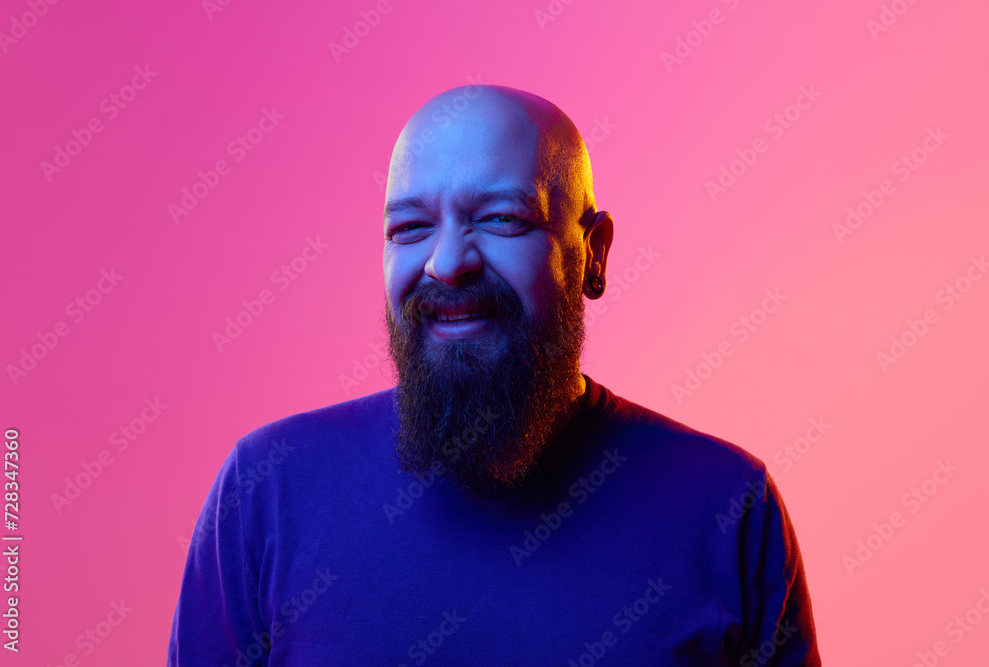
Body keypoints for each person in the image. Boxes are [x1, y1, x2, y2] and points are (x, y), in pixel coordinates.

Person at [168, 84, 821, 666]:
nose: (448, 263)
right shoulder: (266, 489)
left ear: (593, 254)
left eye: (503, 219)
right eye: (410, 227)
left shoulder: (727, 503)